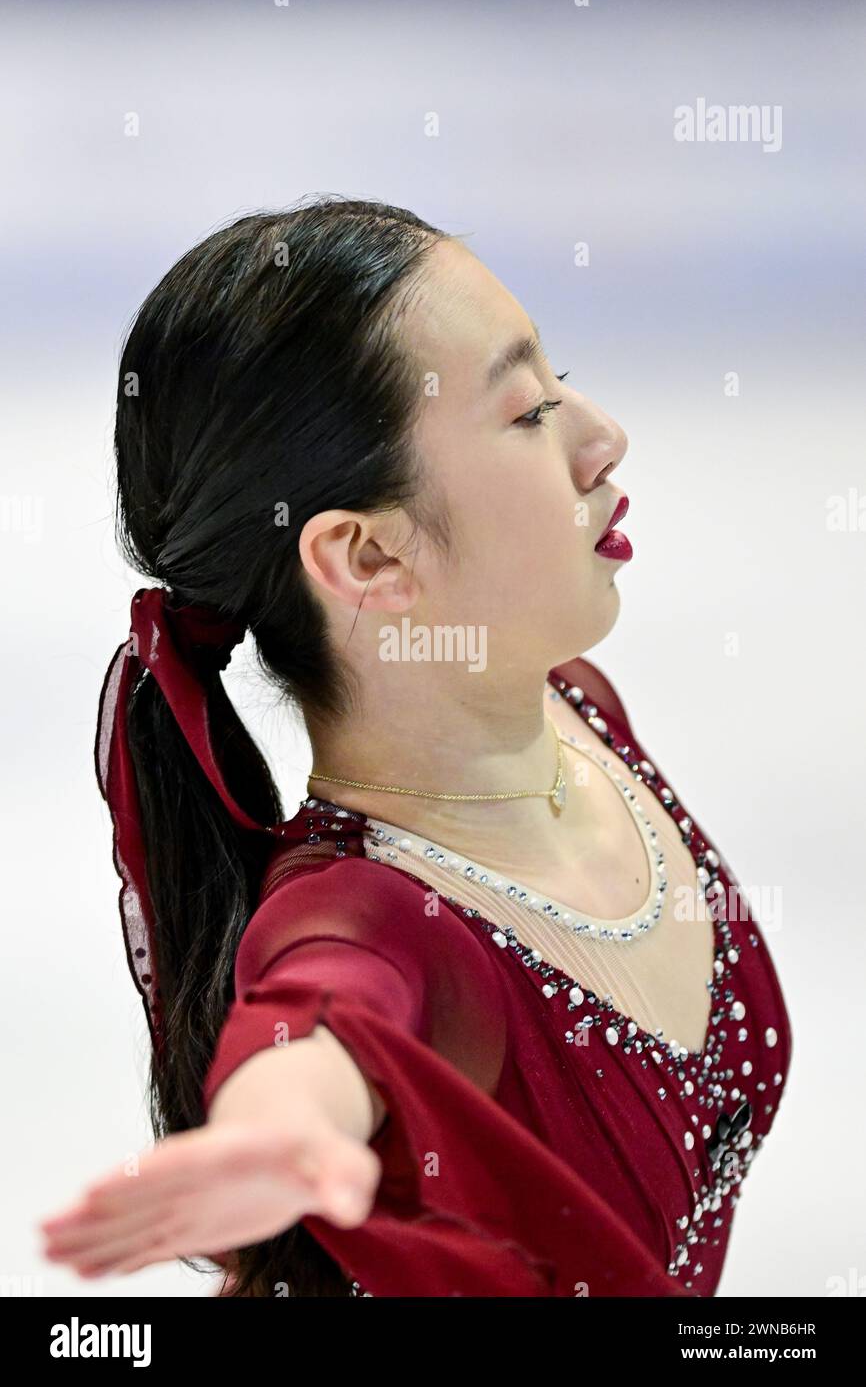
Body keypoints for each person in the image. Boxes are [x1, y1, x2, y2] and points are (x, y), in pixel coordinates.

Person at [38, 196, 792, 1297]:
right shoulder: (370, 913)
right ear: (365, 555)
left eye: (559, 375)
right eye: (529, 412)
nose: (600, 437)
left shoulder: (576, 710)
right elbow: (315, 1024)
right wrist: (276, 1134)